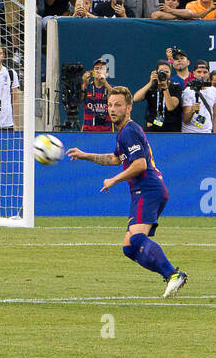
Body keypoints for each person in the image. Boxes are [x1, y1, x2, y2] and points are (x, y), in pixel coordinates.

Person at [66, 86, 188, 298]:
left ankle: (173, 274)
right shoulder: (123, 132)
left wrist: (114, 179)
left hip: (147, 189)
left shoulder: (129, 131)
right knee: (129, 248)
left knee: (138, 239)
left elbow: (140, 164)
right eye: (110, 105)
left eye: (118, 105)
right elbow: (115, 159)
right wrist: (85, 155)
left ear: (129, 108)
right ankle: (170, 275)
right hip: (144, 190)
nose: (112, 109)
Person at [80, 58, 111, 131]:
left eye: (102, 69)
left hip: (107, 131)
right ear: (92, 72)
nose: (99, 71)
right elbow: (79, 100)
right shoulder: (87, 87)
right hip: (88, 131)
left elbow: (116, 97)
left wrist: (105, 83)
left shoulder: (110, 88)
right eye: (96, 68)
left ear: (107, 73)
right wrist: (84, 83)